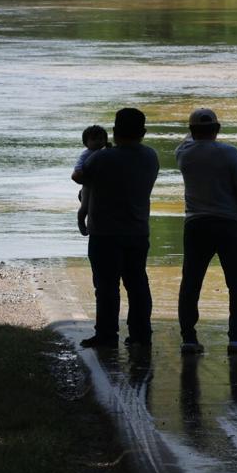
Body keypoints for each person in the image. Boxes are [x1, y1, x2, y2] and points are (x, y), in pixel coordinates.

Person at [73, 107, 158, 349]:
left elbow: (78, 177)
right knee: (138, 284)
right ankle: (141, 334)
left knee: (107, 287)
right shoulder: (151, 156)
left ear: (114, 132)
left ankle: (107, 335)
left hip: (105, 232)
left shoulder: (101, 158)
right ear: (143, 132)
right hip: (138, 231)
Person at [176, 107, 237, 355]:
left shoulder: (183, 154)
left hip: (196, 224)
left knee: (191, 282)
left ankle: (189, 339)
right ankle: (236, 340)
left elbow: (189, 138)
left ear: (191, 130)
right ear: (217, 129)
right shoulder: (229, 153)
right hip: (227, 224)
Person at [73, 124, 108, 236]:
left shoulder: (105, 152)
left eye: (101, 139)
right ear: (86, 143)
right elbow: (78, 165)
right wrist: (80, 172)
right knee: (84, 208)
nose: (98, 142)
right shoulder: (86, 154)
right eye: (93, 139)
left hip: (99, 186)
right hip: (87, 186)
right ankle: (81, 221)